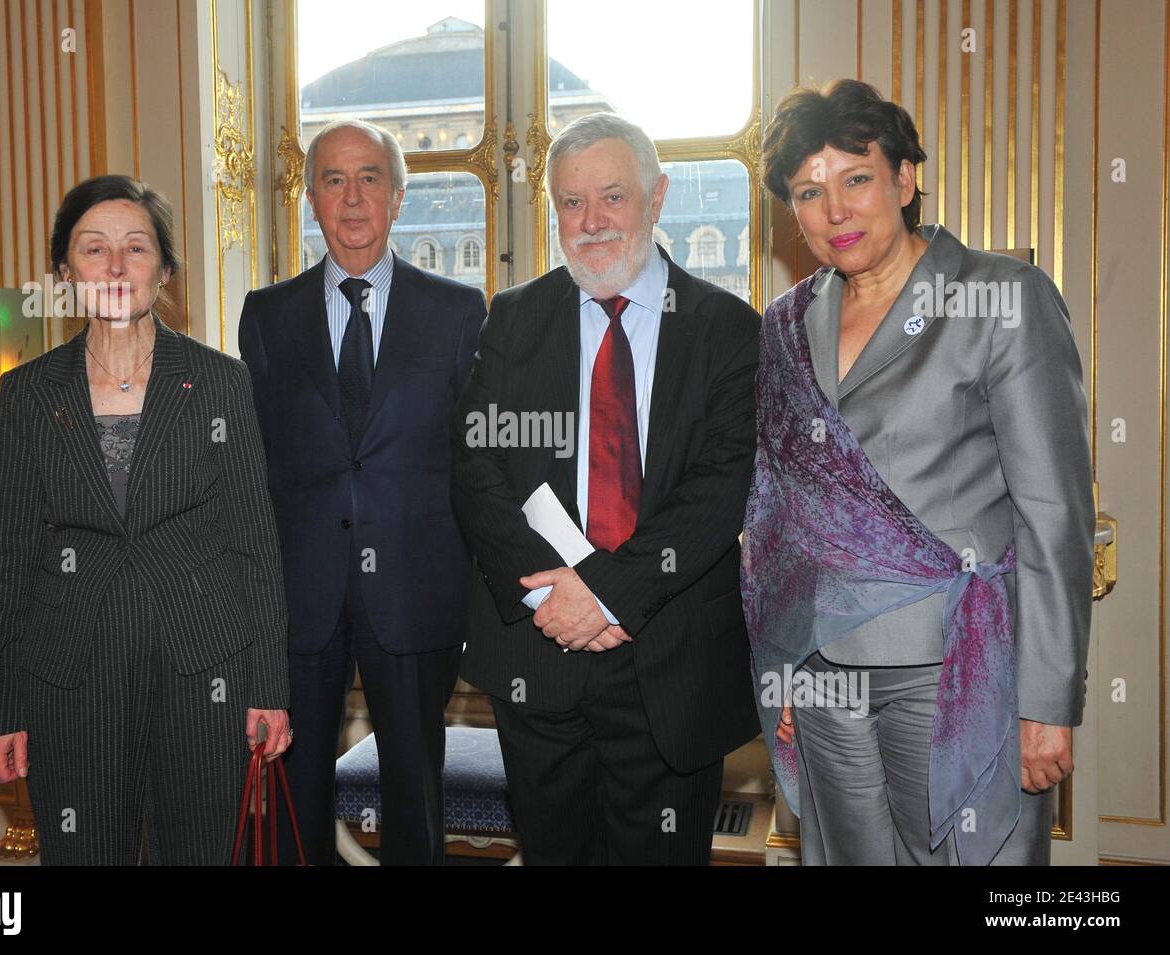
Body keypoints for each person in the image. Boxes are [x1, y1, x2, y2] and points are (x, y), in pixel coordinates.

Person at [743, 79, 1093, 865]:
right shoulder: (787, 324)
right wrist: (788, 663)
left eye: (856, 178)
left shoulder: (1000, 297)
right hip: (828, 678)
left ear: (904, 180)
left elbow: (1055, 515)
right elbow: (782, 516)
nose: (835, 210)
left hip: (960, 670)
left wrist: (1048, 701)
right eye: (809, 191)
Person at [451, 112, 762, 865]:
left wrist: (608, 594)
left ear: (656, 199)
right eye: (570, 202)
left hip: (670, 663)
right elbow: (477, 468)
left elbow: (721, 488)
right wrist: (553, 600)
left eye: (612, 197)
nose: (590, 223)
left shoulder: (728, 329)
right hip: (540, 646)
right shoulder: (515, 318)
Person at [0, 175, 291, 865]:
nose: (116, 267)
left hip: (204, 670)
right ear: (65, 272)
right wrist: (0, 706)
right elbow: (9, 566)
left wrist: (269, 687)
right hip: (71, 680)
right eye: (94, 249)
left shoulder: (220, 382)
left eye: (136, 248)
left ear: (166, 269)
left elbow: (255, 547)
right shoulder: (27, 394)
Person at [238, 119, 486, 865]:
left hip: (415, 594)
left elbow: (476, 462)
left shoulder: (457, 312)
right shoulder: (267, 315)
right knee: (295, 792)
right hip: (300, 597)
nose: (353, 199)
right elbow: (254, 467)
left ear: (399, 197)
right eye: (335, 180)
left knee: (415, 793)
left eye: (370, 178)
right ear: (310, 197)